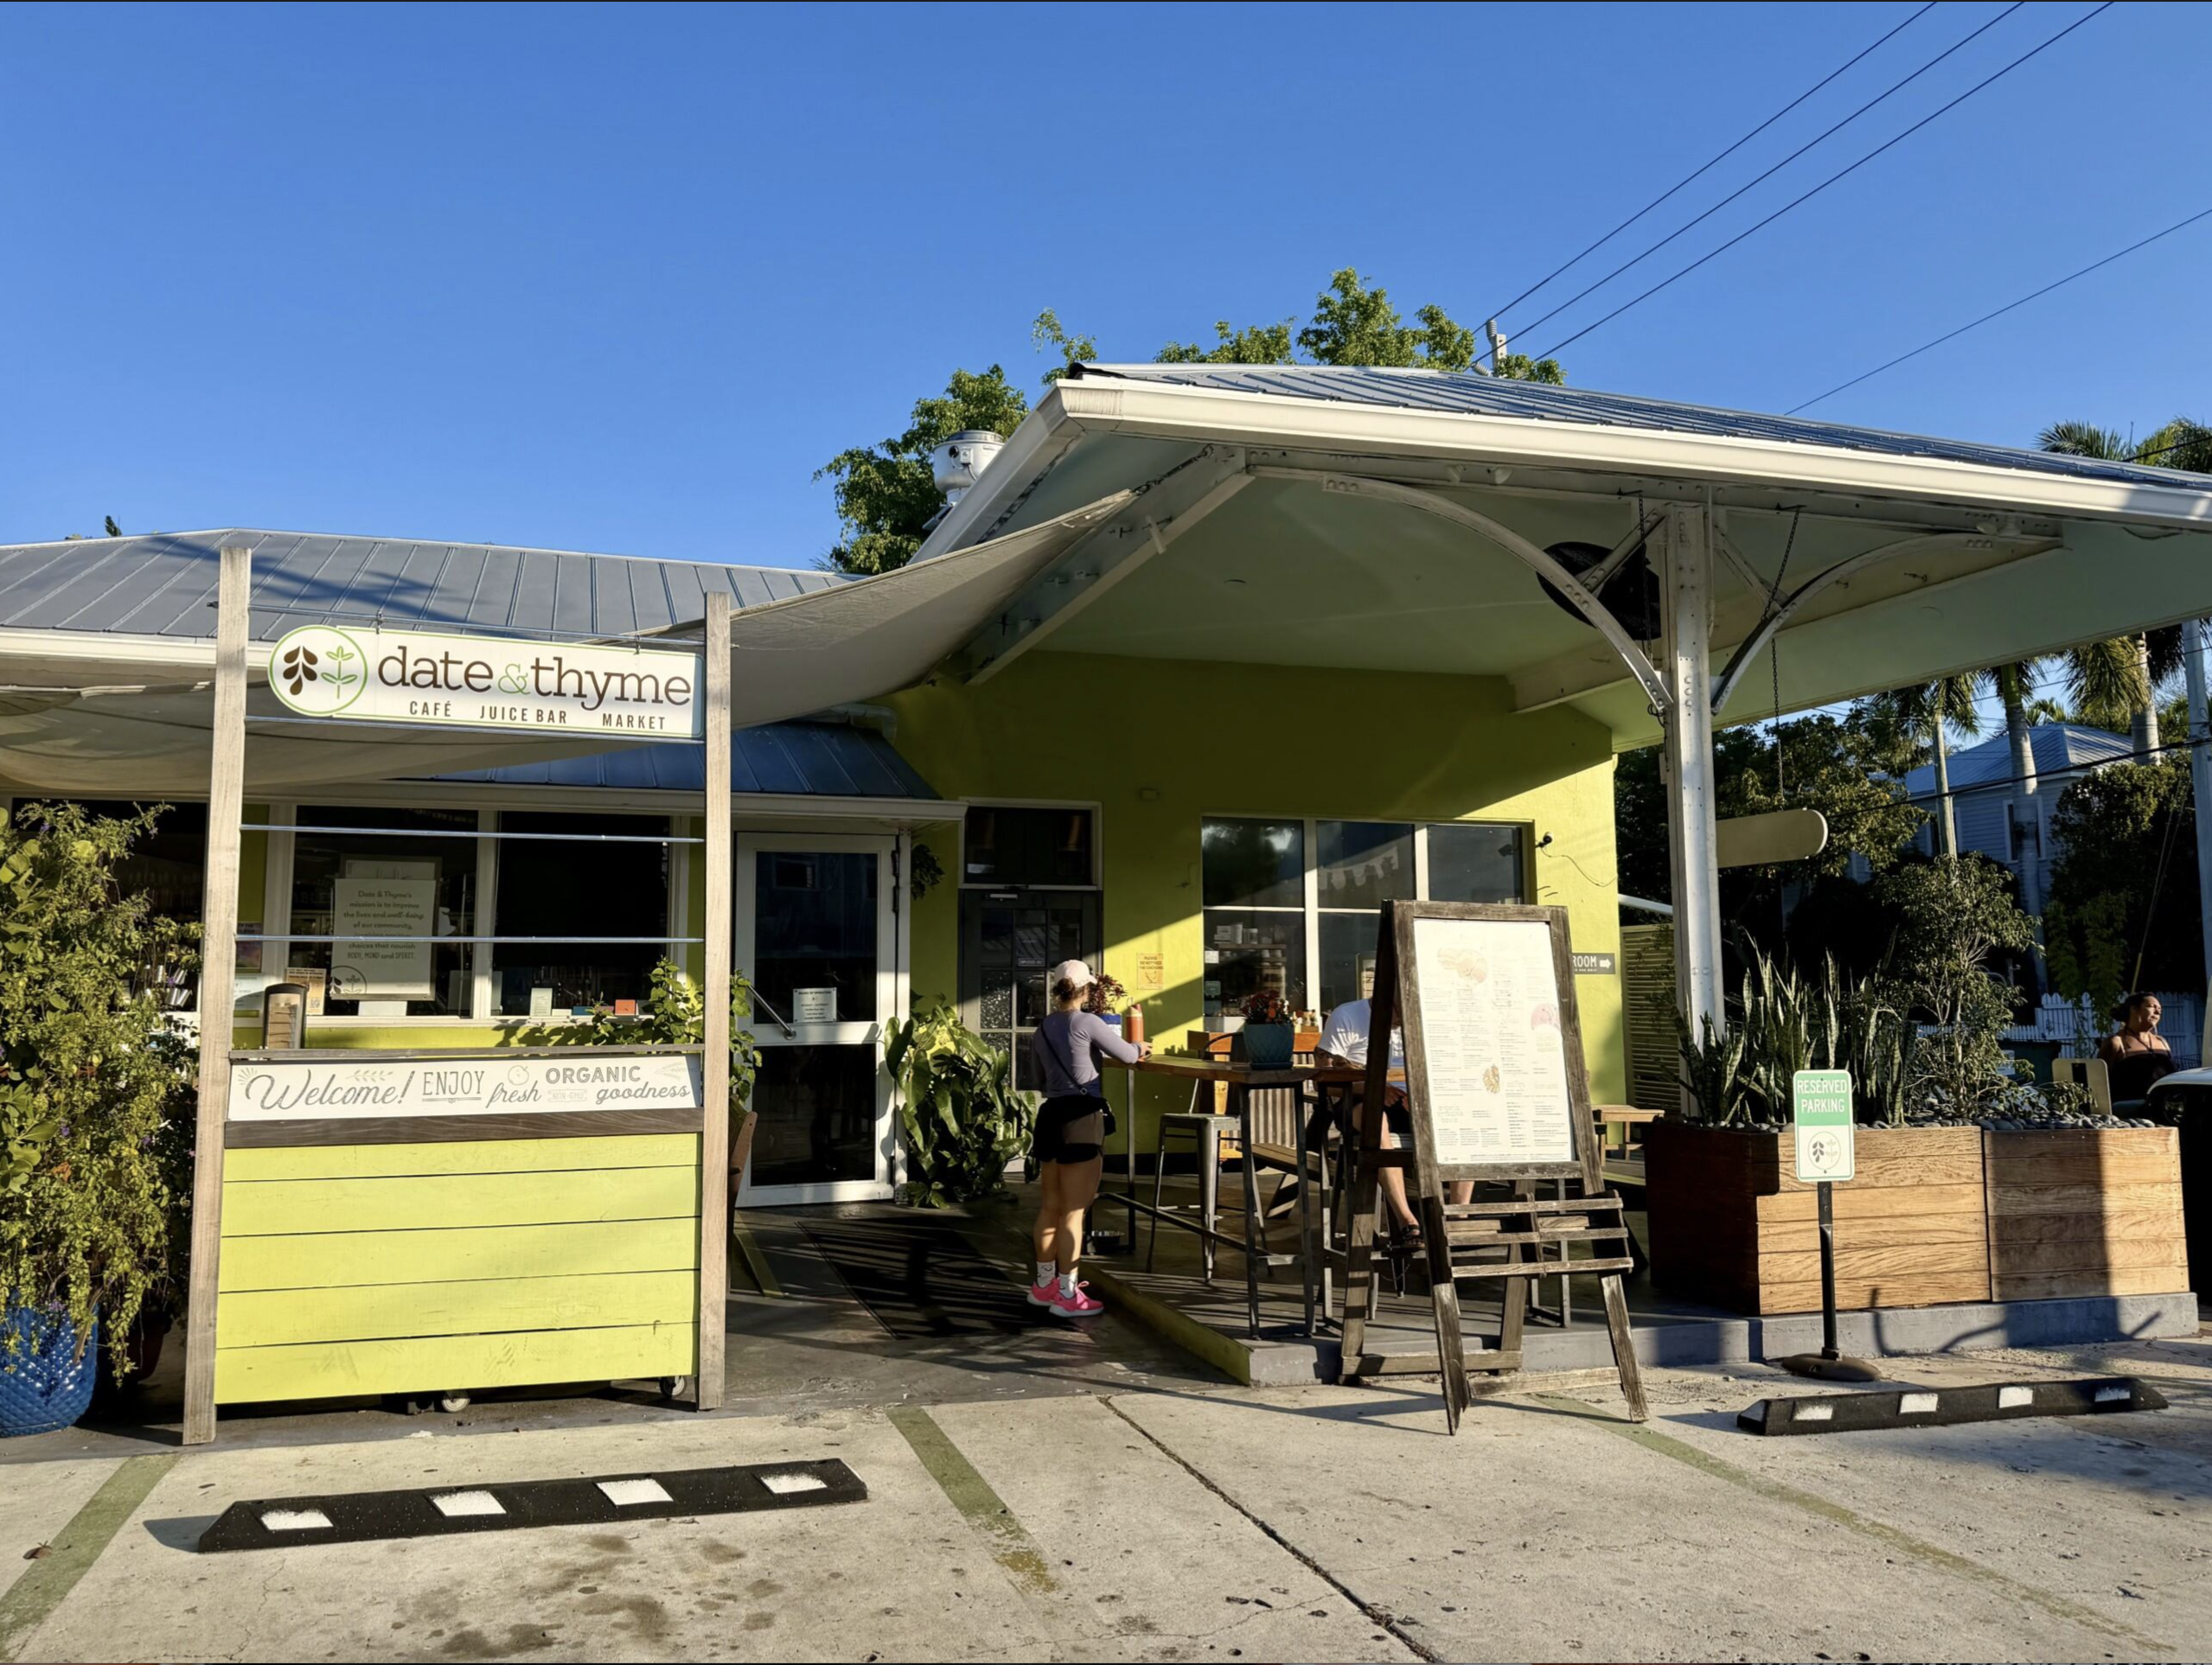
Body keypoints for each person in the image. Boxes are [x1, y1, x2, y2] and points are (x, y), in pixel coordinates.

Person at [1027, 958, 1148, 1317]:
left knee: (1050, 1206)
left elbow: (1039, 1081)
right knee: (1074, 1212)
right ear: (1086, 990)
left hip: (1050, 1117)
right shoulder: (1089, 1021)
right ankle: (1068, 1293)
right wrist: (1141, 1048)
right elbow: (1127, 1055)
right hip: (1081, 1118)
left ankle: (1044, 1286)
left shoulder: (1043, 1028)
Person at [1315, 996, 1446, 1259]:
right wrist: (1375, 1088)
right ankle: (1407, 1220)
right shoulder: (1348, 1016)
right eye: (1400, 1012)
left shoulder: (1420, 1019)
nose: (1401, 1021)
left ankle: (1459, 1216)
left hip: (1412, 1101)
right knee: (1377, 1120)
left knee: (1455, 1116)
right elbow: (1324, 1081)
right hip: (1358, 1100)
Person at [2099, 992, 2177, 1105]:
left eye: (2160, 1009)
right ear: (2134, 1009)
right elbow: (2101, 1082)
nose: (2158, 1012)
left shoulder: (2161, 1041)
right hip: (2129, 1110)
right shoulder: (2116, 1042)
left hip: (2163, 1107)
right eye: (2152, 1007)